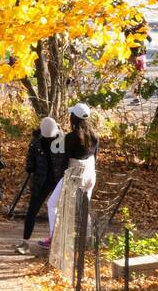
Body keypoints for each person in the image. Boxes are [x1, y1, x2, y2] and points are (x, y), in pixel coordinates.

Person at [42, 103, 99, 248]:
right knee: (83, 207)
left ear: (73, 118)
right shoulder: (94, 136)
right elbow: (95, 157)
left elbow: (63, 162)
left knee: (52, 204)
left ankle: (55, 237)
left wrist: (60, 180)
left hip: (73, 175)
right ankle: (89, 239)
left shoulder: (71, 138)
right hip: (90, 175)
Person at [15, 116, 66, 254]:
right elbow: (30, 160)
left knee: (61, 210)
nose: (50, 139)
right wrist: (31, 168)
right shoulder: (36, 141)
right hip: (41, 181)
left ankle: (58, 241)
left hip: (58, 180)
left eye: (51, 137)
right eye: (47, 137)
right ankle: (25, 242)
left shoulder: (63, 138)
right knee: (32, 211)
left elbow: (66, 160)